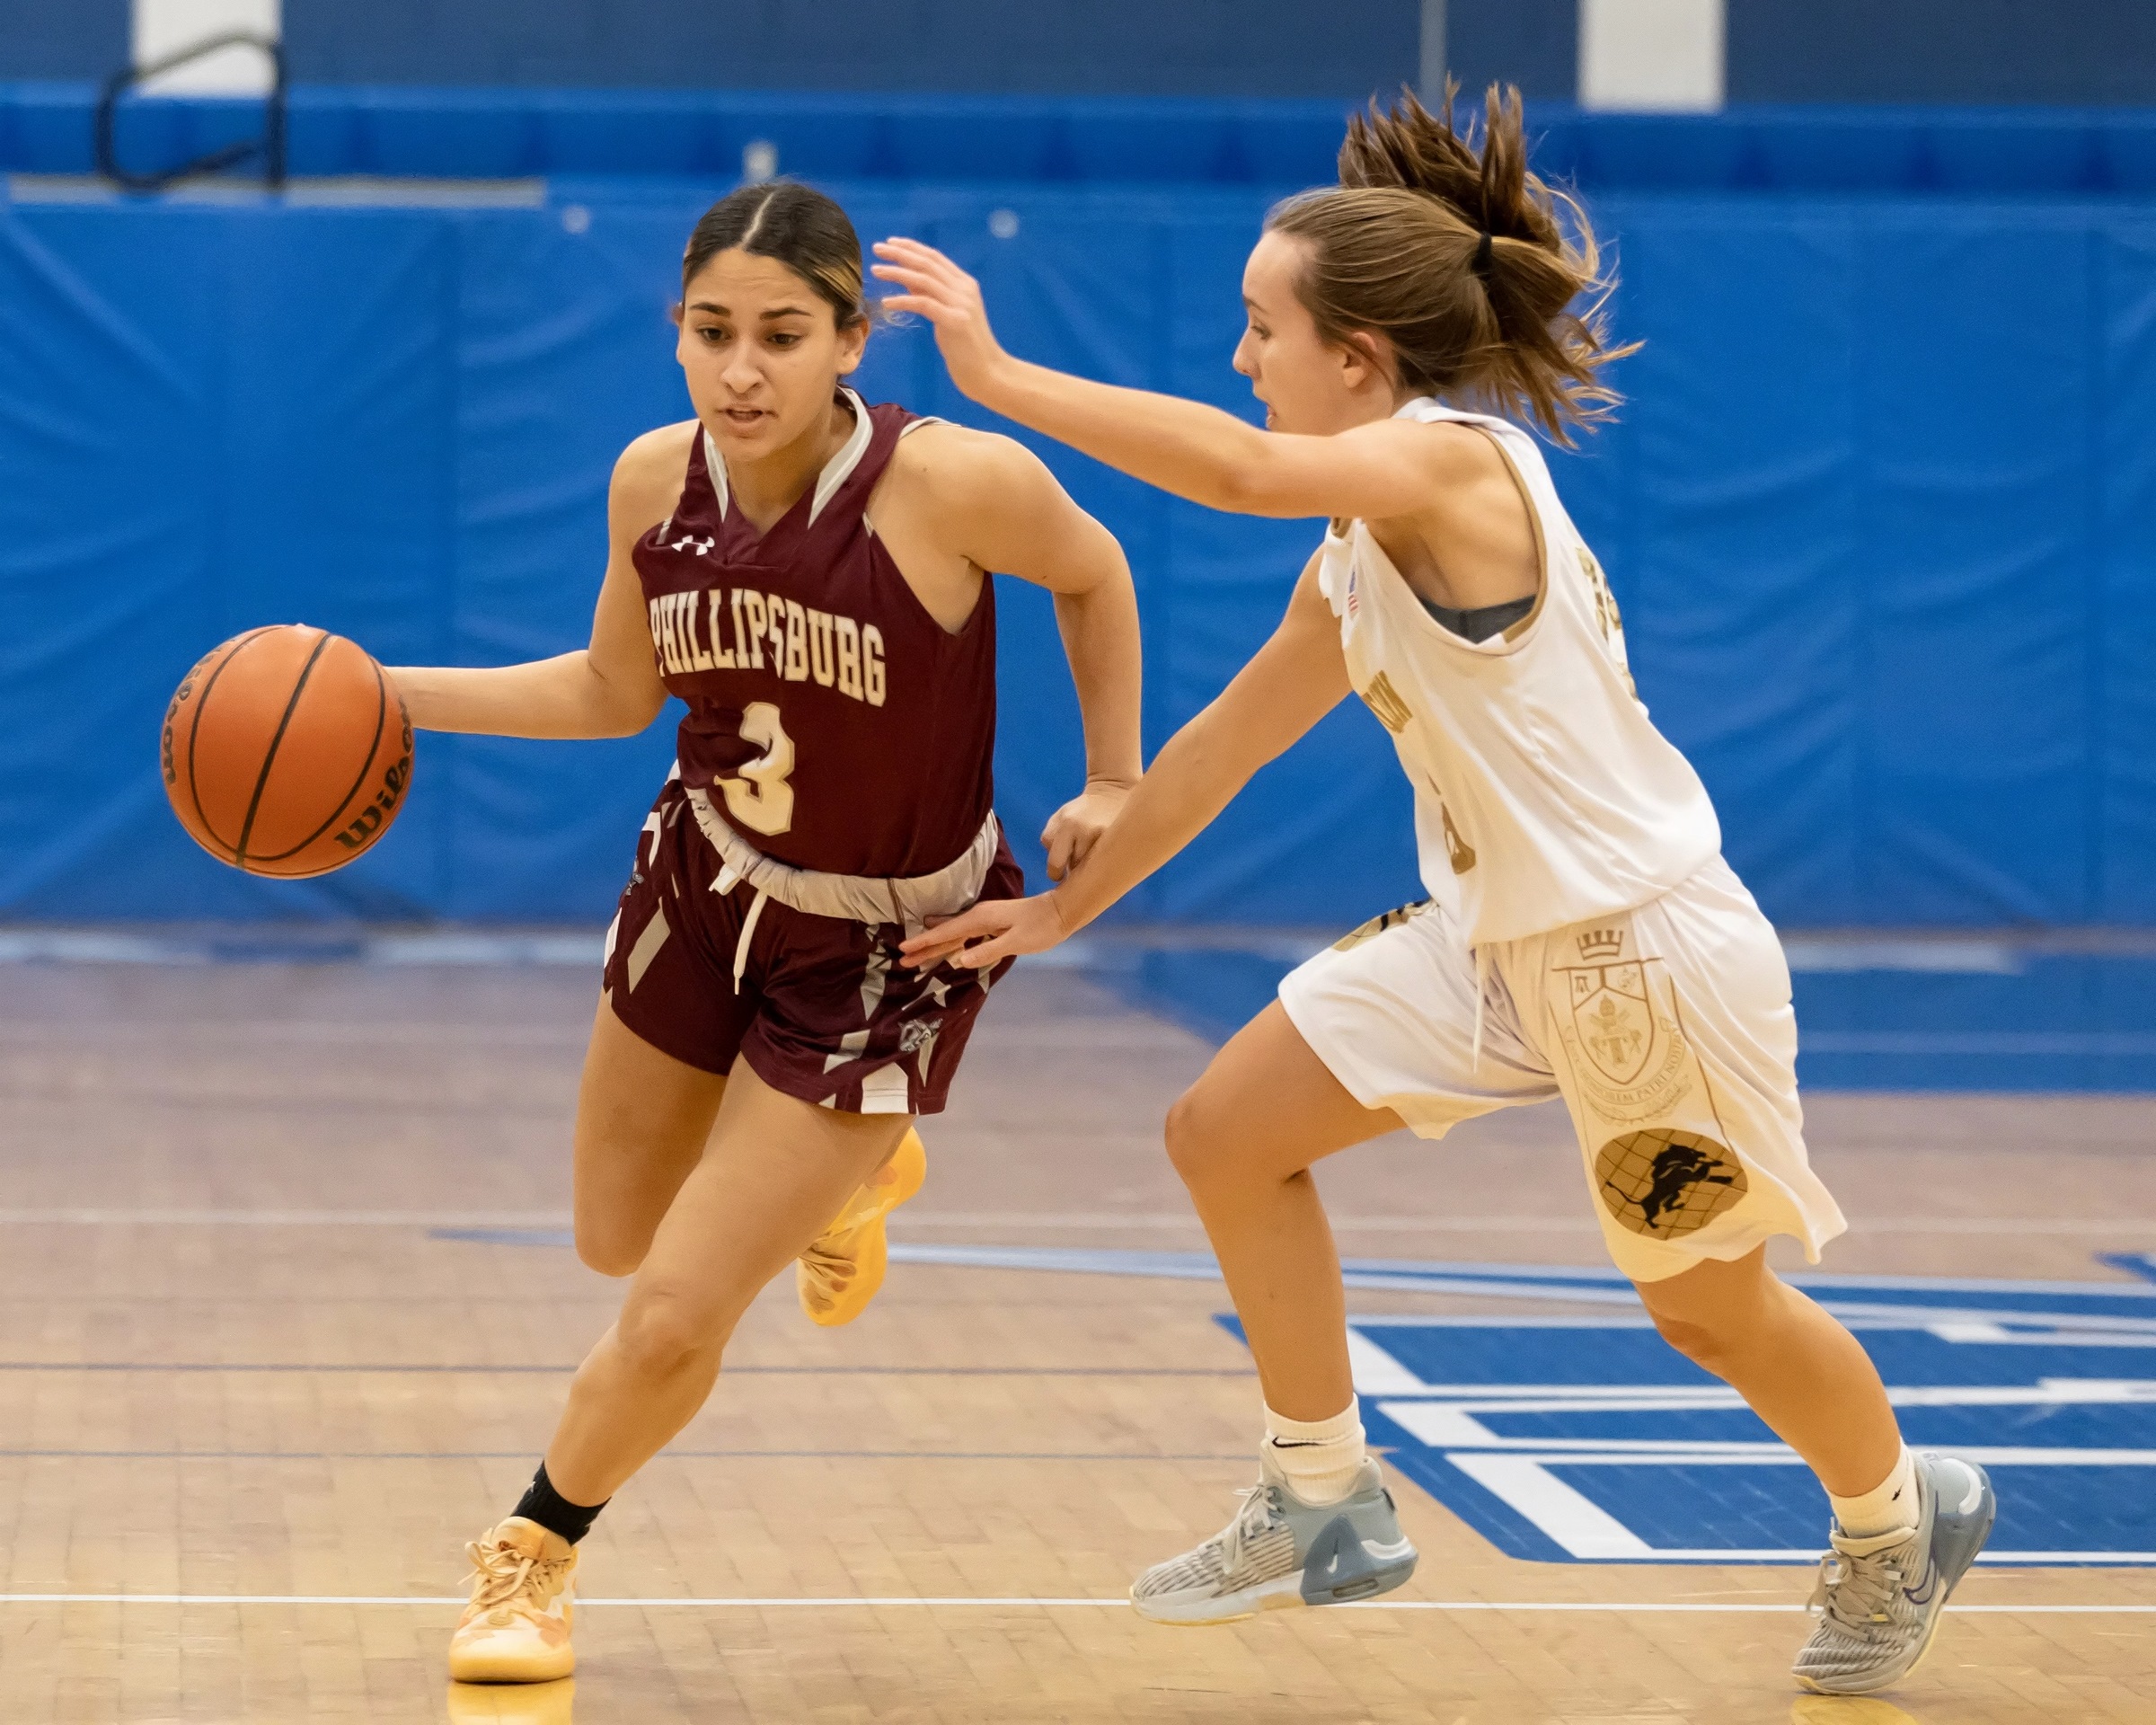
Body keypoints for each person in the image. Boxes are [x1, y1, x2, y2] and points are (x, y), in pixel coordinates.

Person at [881, 86, 1994, 1698]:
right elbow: (1225, 745)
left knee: (1712, 1313)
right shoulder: (1356, 549)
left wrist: (993, 377)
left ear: (1359, 362)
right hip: (1496, 941)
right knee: (1223, 1133)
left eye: (1262, 328)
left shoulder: (1463, 469)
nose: (1243, 356)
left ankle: (1900, 1516)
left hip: (1643, 954)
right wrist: (1070, 907)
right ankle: (1322, 1496)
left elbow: (1248, 467)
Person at [389, 179, 1143, 1685]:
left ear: (852, 341)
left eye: (783, 337)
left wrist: (1116, 776)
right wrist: (378, 691)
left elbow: (1096, 570)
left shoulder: (949, 485)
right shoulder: (648, 483)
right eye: (712, 331)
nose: (743, 369)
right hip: (706, 882)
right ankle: (848, 1193)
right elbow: (613, 693)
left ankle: (533, 1558)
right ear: (674, 333)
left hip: (883, 952)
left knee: (673, 1315)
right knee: (618, 1243)